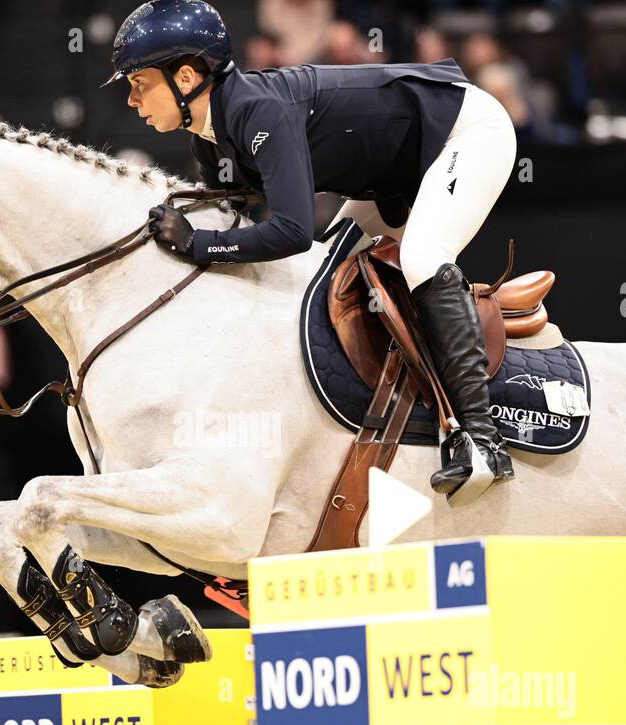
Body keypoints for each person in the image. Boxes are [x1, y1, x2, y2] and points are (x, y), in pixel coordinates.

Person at [105, 0, 517, 502]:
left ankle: (481, 439)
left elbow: (291, 232)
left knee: (423, 258)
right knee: (328, 274)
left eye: (138, 83)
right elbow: (242, 226)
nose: (131, 101)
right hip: (392, 175)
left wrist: (197, 243)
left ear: (186, 77)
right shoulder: (210, 139)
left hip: (463, 132)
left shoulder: (258, 110)